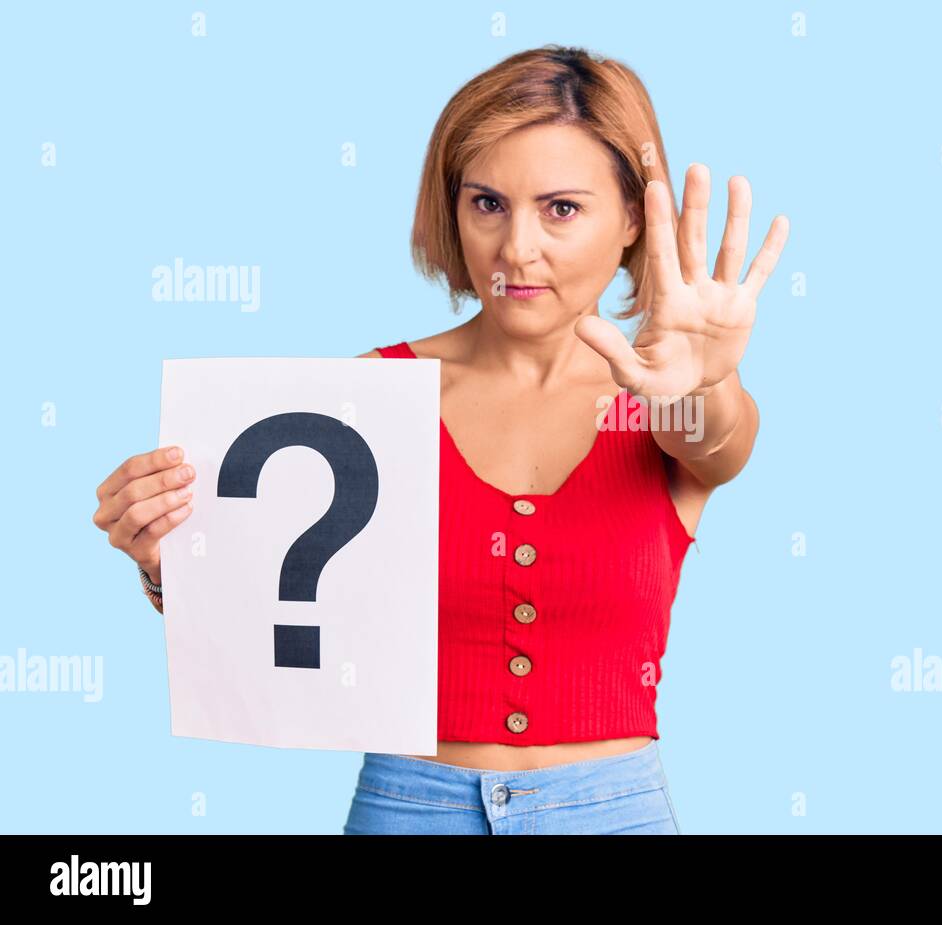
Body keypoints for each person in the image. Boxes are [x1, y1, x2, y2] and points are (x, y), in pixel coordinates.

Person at [92, 45, 788, 835]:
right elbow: (284, 613)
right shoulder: (369, 396)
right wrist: (170, 569)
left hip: (613, 811)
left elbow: (720, 440)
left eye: (561, 208)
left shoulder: (661, 408)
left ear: (633, 217)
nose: (517, 249)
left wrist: (700, 383)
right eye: (487, 203)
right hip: (406, 805)